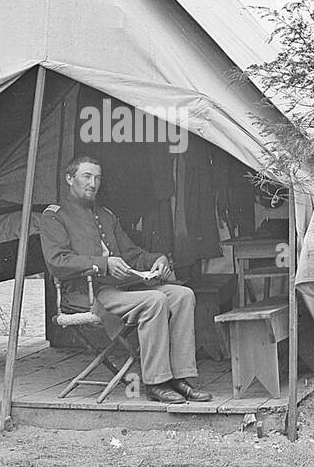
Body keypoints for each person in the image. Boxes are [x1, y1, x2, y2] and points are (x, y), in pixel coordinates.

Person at [39, 155, 211, 405]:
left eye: (97, 178)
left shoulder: (106, 215)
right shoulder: (55, 216)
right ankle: (157, 382)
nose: (93, 183)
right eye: (86, 176)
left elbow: (131, 254)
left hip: (120, 289)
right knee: (155, 300)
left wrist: (159, 259)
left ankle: (181, 378)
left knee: (183, 295)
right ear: (69, 179)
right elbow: (57, 261)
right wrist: (102, 264)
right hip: (85, 294)